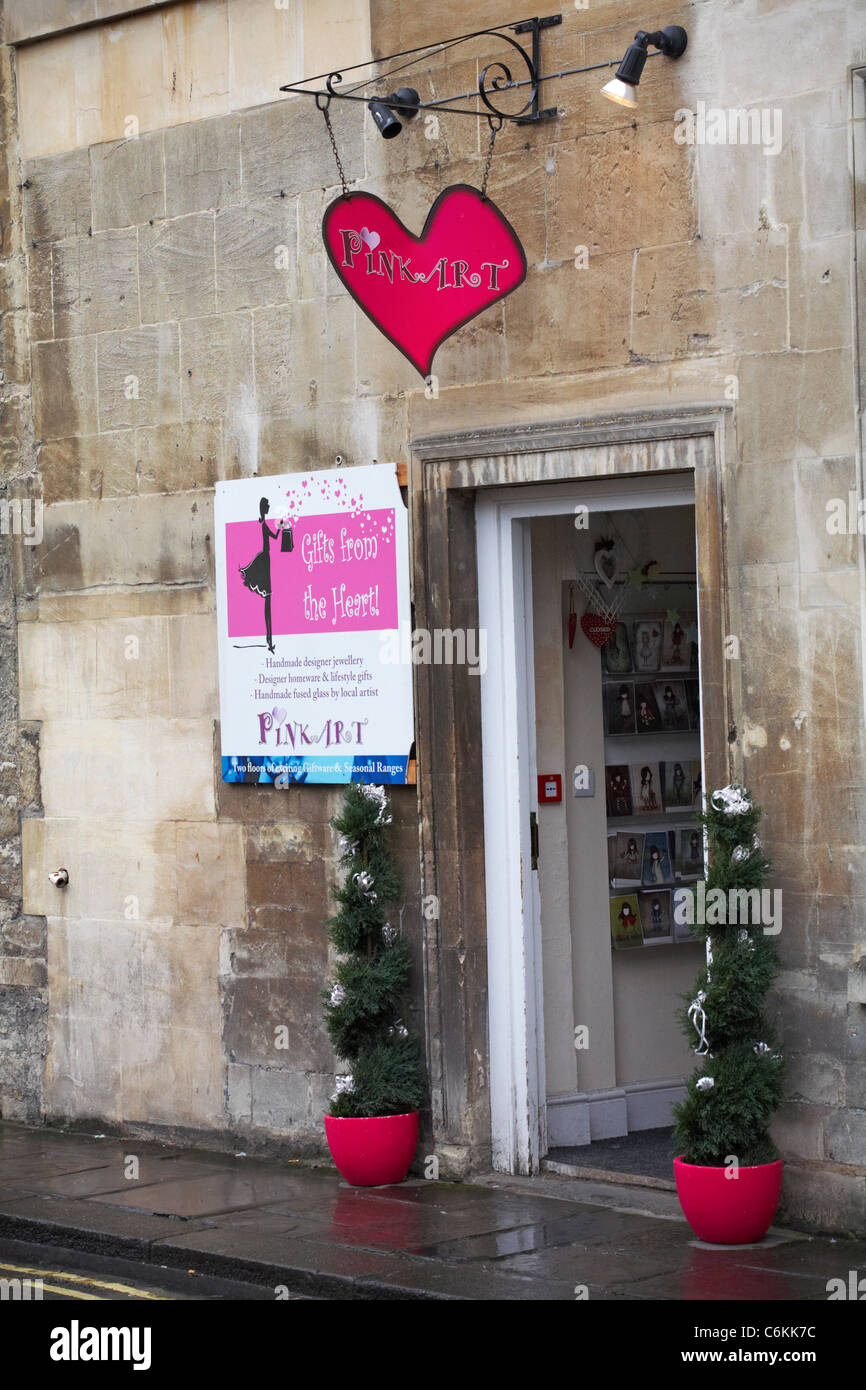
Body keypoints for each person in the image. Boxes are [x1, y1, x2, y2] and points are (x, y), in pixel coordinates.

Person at [239, 497, 284, 653]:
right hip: (265, 560)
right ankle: (269, 639)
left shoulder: (263, 524)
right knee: (268, 599)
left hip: (265, 559)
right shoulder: (264, 525)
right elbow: (276, 537)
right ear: (263, 508)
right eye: (267, 506)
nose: (269, 507)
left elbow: (275, 538)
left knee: (268, 600)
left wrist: (279, 527)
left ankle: (269, 638)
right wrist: (280, 527)